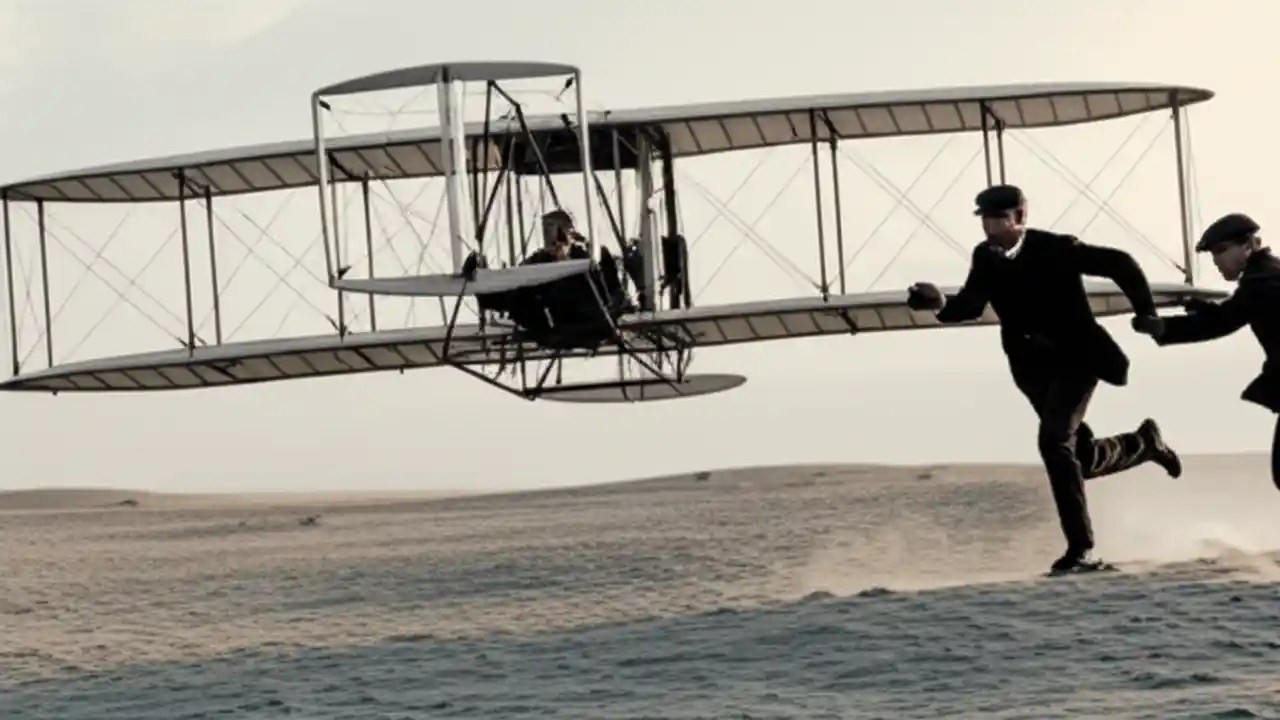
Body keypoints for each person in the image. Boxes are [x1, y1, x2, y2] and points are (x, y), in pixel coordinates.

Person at [906, 184, 1184, 574]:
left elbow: (1121, 263)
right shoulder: (985, 257)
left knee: (1054, 442)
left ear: (1020, 218)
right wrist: (939, 304)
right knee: (1078, 457)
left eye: (999, 220)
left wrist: (1145, 313)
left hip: (1077, 359)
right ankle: (1144, 444)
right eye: (985, 220)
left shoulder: (1056, 248)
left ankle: (1081, 550)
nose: (991, 229)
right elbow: (969, 306)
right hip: (1031, 369)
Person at [1132, 212, 1280, 491]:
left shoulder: (1263, 279)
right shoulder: (1265, 274)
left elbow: (1224, 321)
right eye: (1214, 255)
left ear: (1248, 245)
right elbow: (1233, 312)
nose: (1218, 261)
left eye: (1222, 251)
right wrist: (1195, 306)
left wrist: (1163, 328)